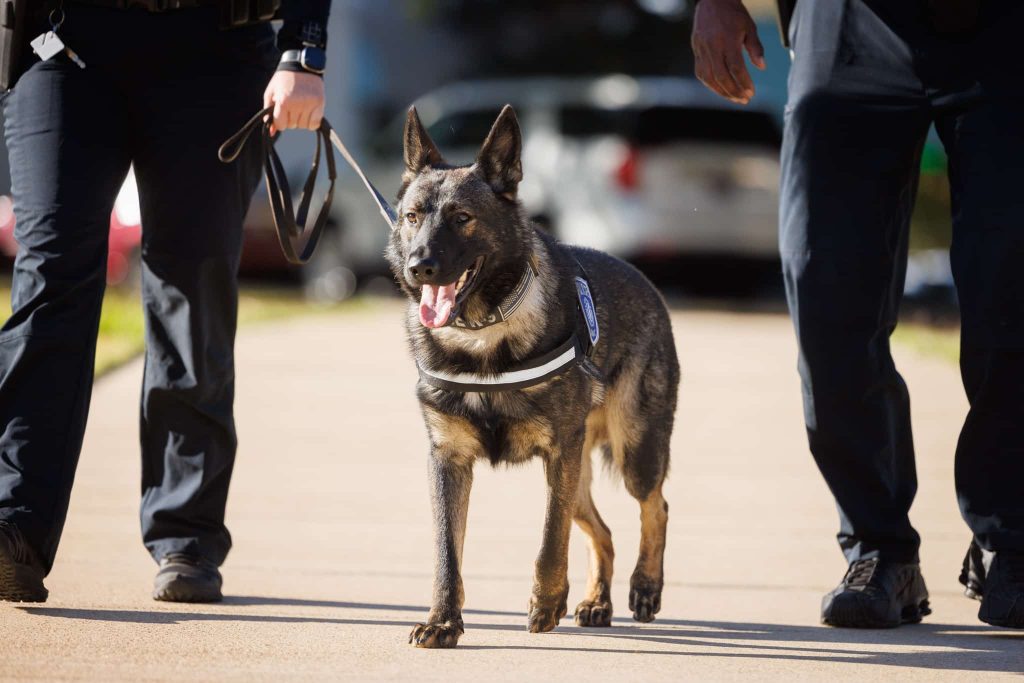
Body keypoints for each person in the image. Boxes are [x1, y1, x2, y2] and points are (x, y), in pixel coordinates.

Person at [692, 0, 1024, 629]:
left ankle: (1015, 541)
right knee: (826, 283)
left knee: (1014, 277)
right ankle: (879, 547)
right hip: (848, 20)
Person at [0, 0, 330, 603]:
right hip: (64, 39)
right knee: (48, 274)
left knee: (192, 287)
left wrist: (303, 49)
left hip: (214, 45)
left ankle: (187, 537)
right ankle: (13, 524)